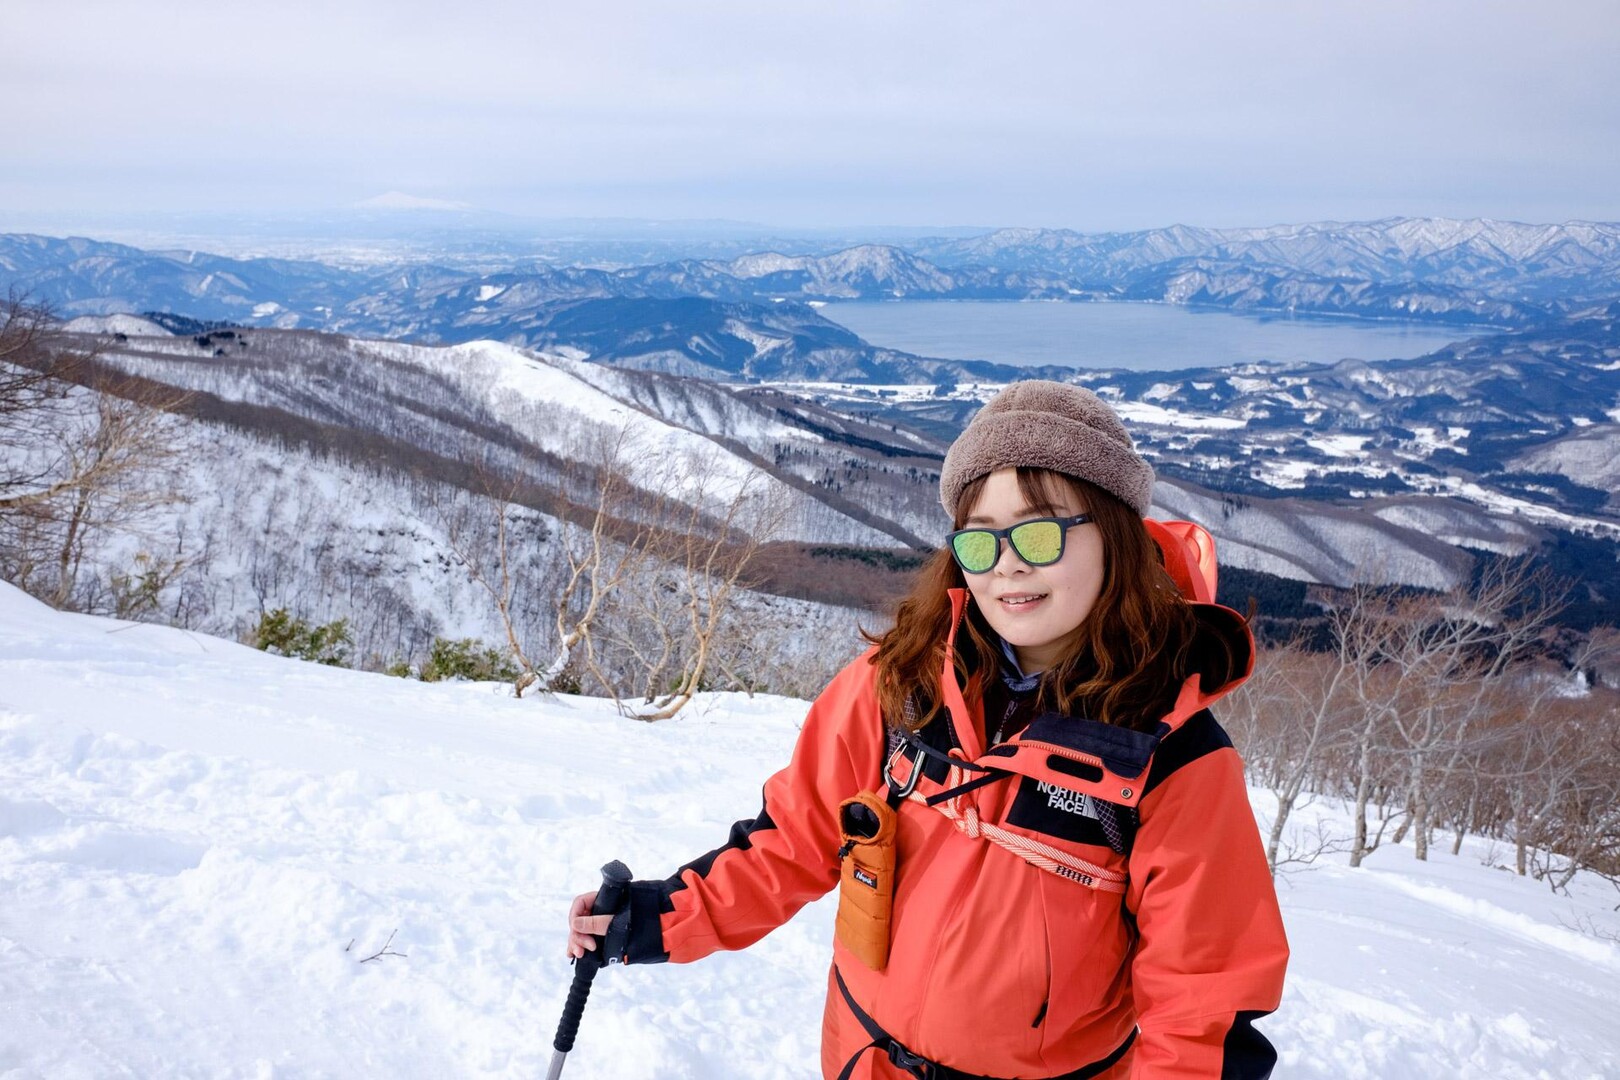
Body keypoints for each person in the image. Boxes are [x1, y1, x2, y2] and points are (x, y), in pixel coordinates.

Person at [567, 381, 1289, 1079]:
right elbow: (791, 841)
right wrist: (655, 918)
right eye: (980, 541)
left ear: (1117, 538)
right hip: (866, 1059)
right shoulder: (899, 685)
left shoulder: (1166, 752)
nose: (1006, 565)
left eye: (1040, 533)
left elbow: (1202, 1006)